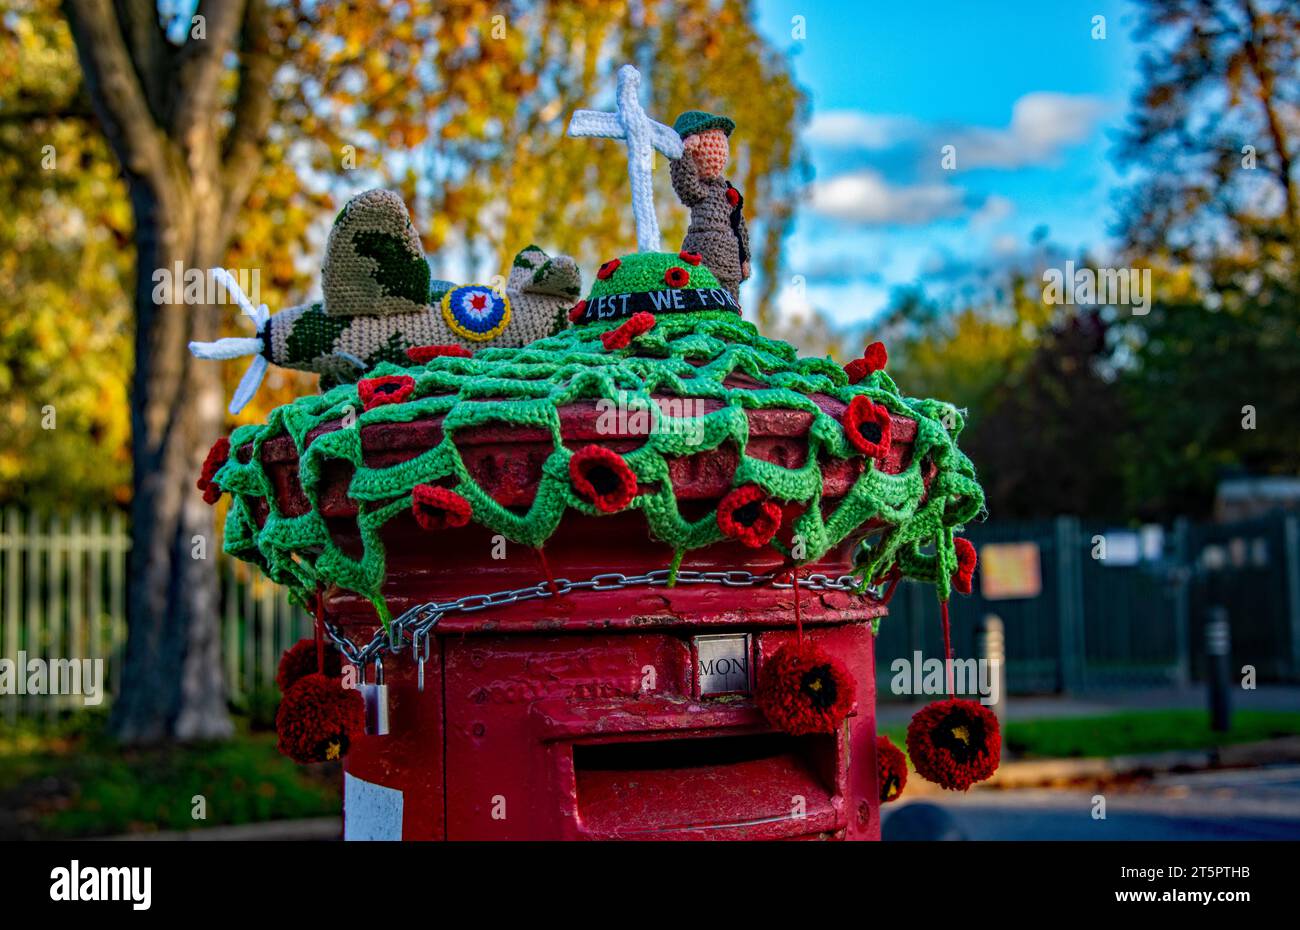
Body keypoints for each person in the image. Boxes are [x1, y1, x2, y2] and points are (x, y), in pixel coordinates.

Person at [669, 110, 751, 304]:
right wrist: (684, 155)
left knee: (730, 305)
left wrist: (744, 259)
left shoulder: (728, 191)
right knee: (698, 299)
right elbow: (685, 184)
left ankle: (728, 332)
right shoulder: (700, 190)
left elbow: (739, 227)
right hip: (701, 256)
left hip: (730, 262)